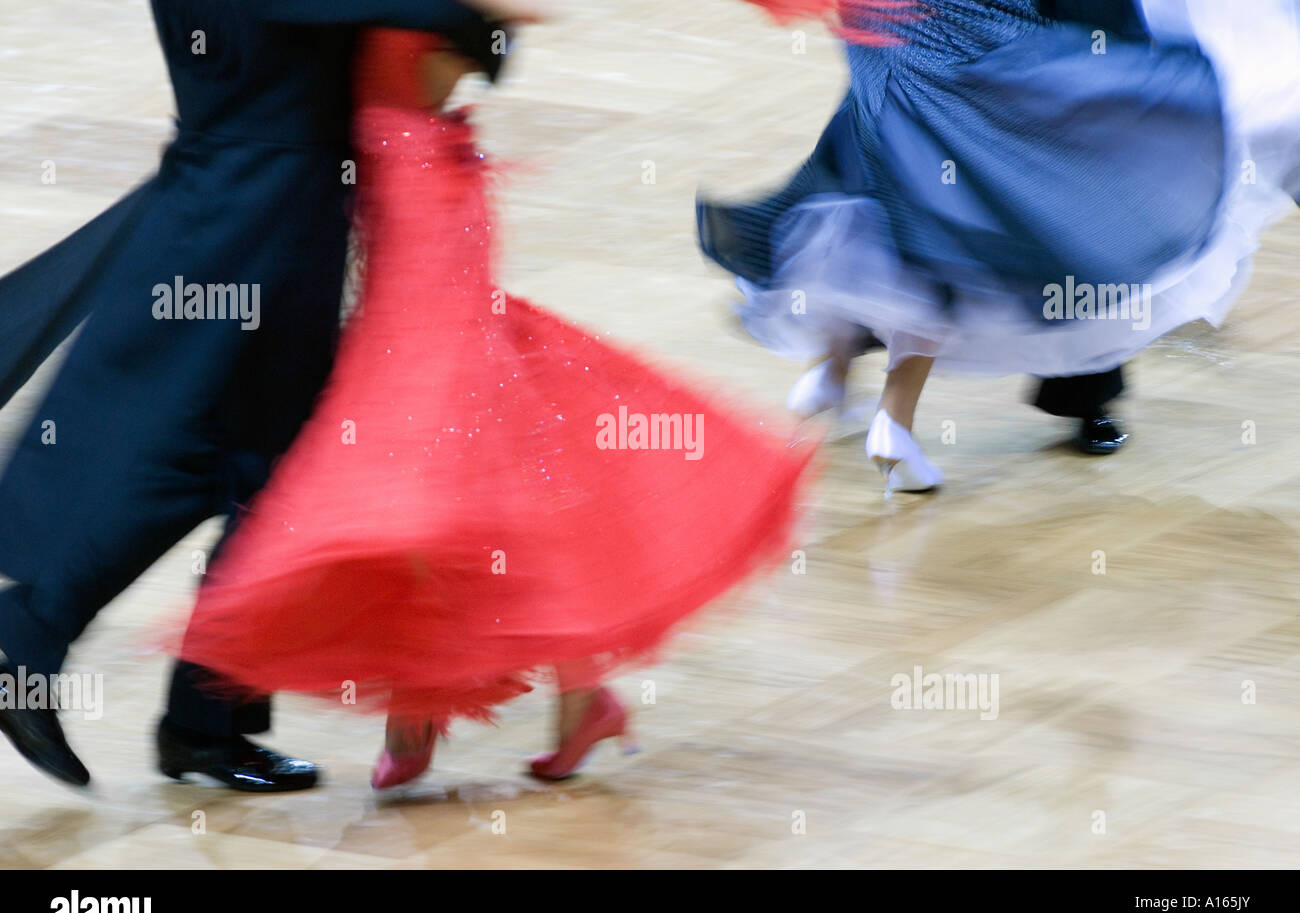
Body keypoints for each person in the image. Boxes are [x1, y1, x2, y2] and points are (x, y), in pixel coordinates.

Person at [173, 26, 815, 789]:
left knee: (438, 438)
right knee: (476, 430)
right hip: (396, 182)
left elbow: (470, 48)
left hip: (422, 188)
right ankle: (532, 699)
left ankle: (436, 705)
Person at [0, 0, 533, 791]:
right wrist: (473, 17)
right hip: (263, 215)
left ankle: (139, 692)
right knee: (272, 471)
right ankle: (145, 695)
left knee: (231, 468)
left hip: (246, 196)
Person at [699, 0, 1299, 491]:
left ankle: (831, 371)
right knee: (964, 236)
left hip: (888, 50)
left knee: (877, 197)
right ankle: (893, 421)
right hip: (969, 63)